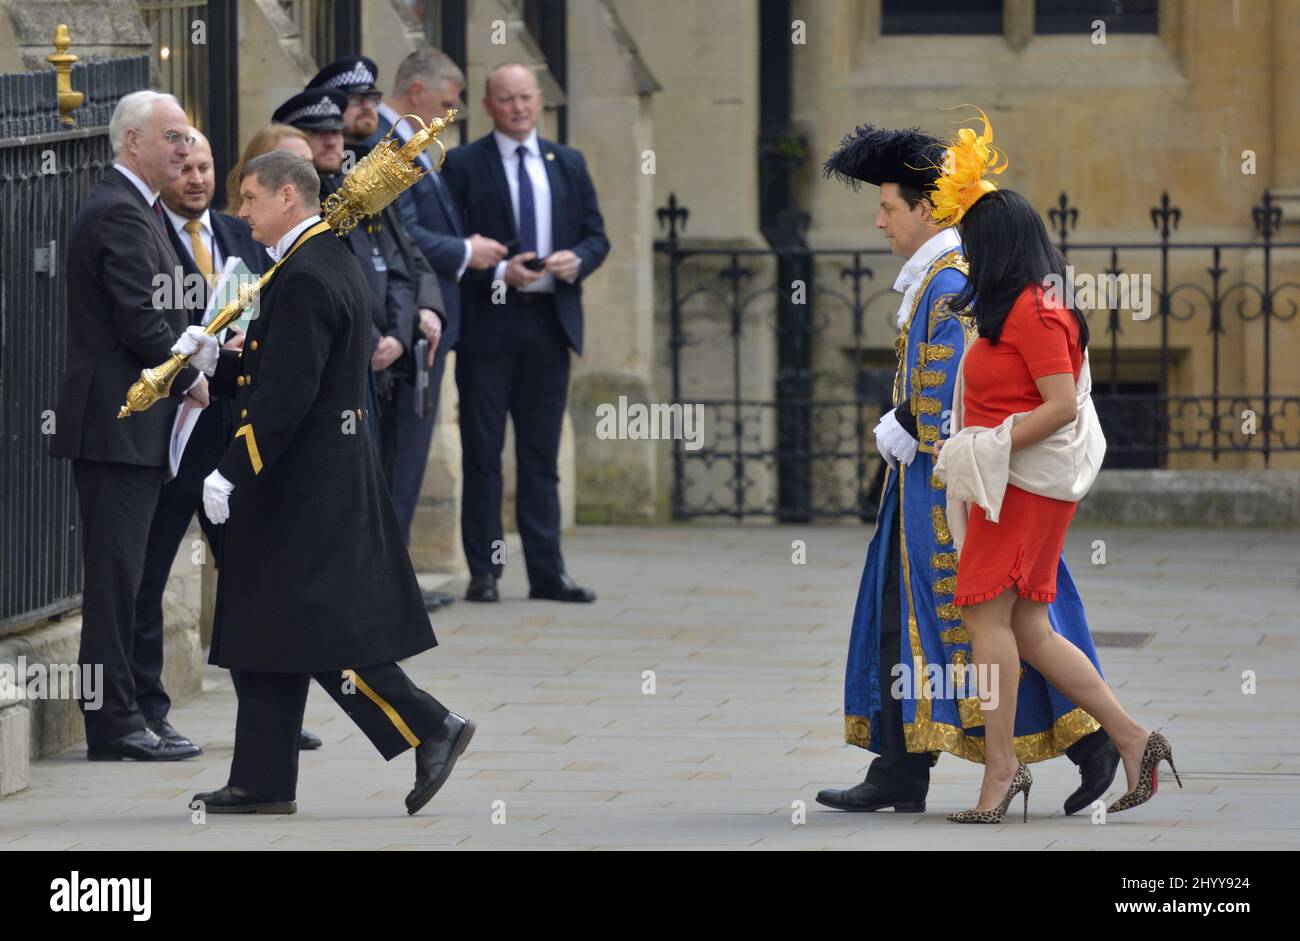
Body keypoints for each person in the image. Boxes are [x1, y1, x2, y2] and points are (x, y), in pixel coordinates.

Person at [812, 117, 1120, 817]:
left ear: (926, 210)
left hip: (957, 482)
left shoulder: (954, 281)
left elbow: (970, 390)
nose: (879, 221)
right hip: (923, 481)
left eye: (888, 207)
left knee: (1004, 625)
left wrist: (913, 428)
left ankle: (1095, 737)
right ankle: (899, 765)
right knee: (904, 619)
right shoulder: (934, 280)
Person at [176, 151, 474, 814]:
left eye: (250, 198)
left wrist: (229, 469)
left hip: (298, 486)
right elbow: (269, 368)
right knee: (270, 630)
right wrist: (215, 367)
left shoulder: (308, 271)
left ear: (288, 196)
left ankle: (430, 725)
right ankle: (261, 779)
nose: (242, 212)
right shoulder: (317, 259)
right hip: (308, 479)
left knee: (315, 633)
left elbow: (286, 395)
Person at [934, 177, 1179, 821]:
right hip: (1009, 483)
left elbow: (1062, 407)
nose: (965, 255)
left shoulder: (1038, 309)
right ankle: (1133, 739)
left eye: (970, 243)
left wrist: (989, 446)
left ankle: (1001, 771)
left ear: (997, 245)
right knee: (1029, 629)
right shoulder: (1017, 303)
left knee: (987, 618)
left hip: (1020, 485)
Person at [138, 126, 322, 752]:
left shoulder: (250, 235)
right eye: (184, 168)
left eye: (206, 166)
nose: (196, 178)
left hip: (236, 432)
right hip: (175, 431)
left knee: (252, 574)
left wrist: (248, 351)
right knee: (150, 570)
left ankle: (271, 715)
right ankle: (148, 709)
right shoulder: (152, 230)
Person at [49, 90, 201, 761]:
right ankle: (112, 725)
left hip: (135, 424)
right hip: (117, 422)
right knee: (113, 581)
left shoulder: (142, 208)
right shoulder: (117, 210)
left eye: (188, 137)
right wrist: (192, 375)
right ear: (133, 140)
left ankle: (131, 710)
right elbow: (142, 322)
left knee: (129, 576)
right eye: (173, 137)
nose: (186, 149)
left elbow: (174, 302)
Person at [441, 62, 609, 604]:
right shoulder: (464, 163)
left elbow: (597, 237)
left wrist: (575, 260)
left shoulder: (568, 163)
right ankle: (485, 572)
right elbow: (447, 243)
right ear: (488, 106)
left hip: (548, 322)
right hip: (488, 323)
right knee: (483, 454)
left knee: (540, 455)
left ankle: (547, 573)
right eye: (506, 99)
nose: (518, 107)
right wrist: (495, 270)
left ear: (540, 100)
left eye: (525, 97)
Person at [307, 56, 452, 610]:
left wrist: (420, 312)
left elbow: (403, 256)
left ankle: (389, 584)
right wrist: (372, 340)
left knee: (394, 470)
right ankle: (366, 589)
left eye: (372, 99)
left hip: (397, 349)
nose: (367, 109)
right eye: (353, 104)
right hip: (359, 356)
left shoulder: (375, 166)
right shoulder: (328, 182)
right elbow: (341, 270)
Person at [376, 48, 509, 583]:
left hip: (429, 322)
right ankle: (391, 581)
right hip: (407, 326)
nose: (447, 116)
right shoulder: (392, 147)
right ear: (416, 93)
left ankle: (396, 579)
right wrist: (464, 251)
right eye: (445, 104)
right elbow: (404, 236)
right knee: (400, 456)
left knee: (410, 456)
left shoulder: (418, 144)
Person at [224, 124, 313, 212]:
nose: (308, 174)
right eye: (292, 165)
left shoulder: (318, 217)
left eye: (309, 163)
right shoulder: (231, 225)